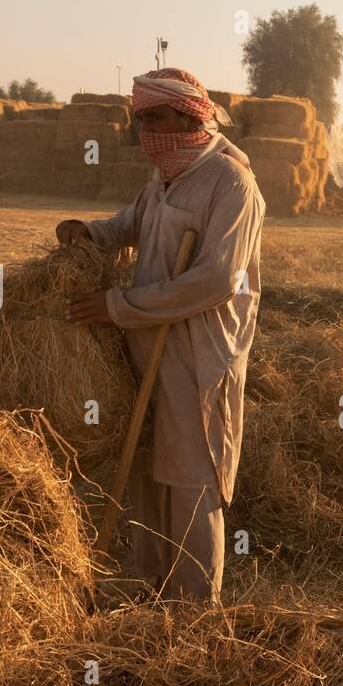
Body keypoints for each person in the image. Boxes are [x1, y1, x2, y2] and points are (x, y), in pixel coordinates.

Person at [58, 67, 265, 603]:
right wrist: (91, 234)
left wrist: (118, 306)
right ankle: (153, 593)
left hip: (199, 352)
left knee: (192, 479)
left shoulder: (231, 183)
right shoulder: (166, 176)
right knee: (149, 471)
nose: (147, 131)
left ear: (190, 116)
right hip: (147, 341)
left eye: (156, 118)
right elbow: (131, 224)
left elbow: (217, 280)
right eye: (141, 120)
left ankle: (195, 615)